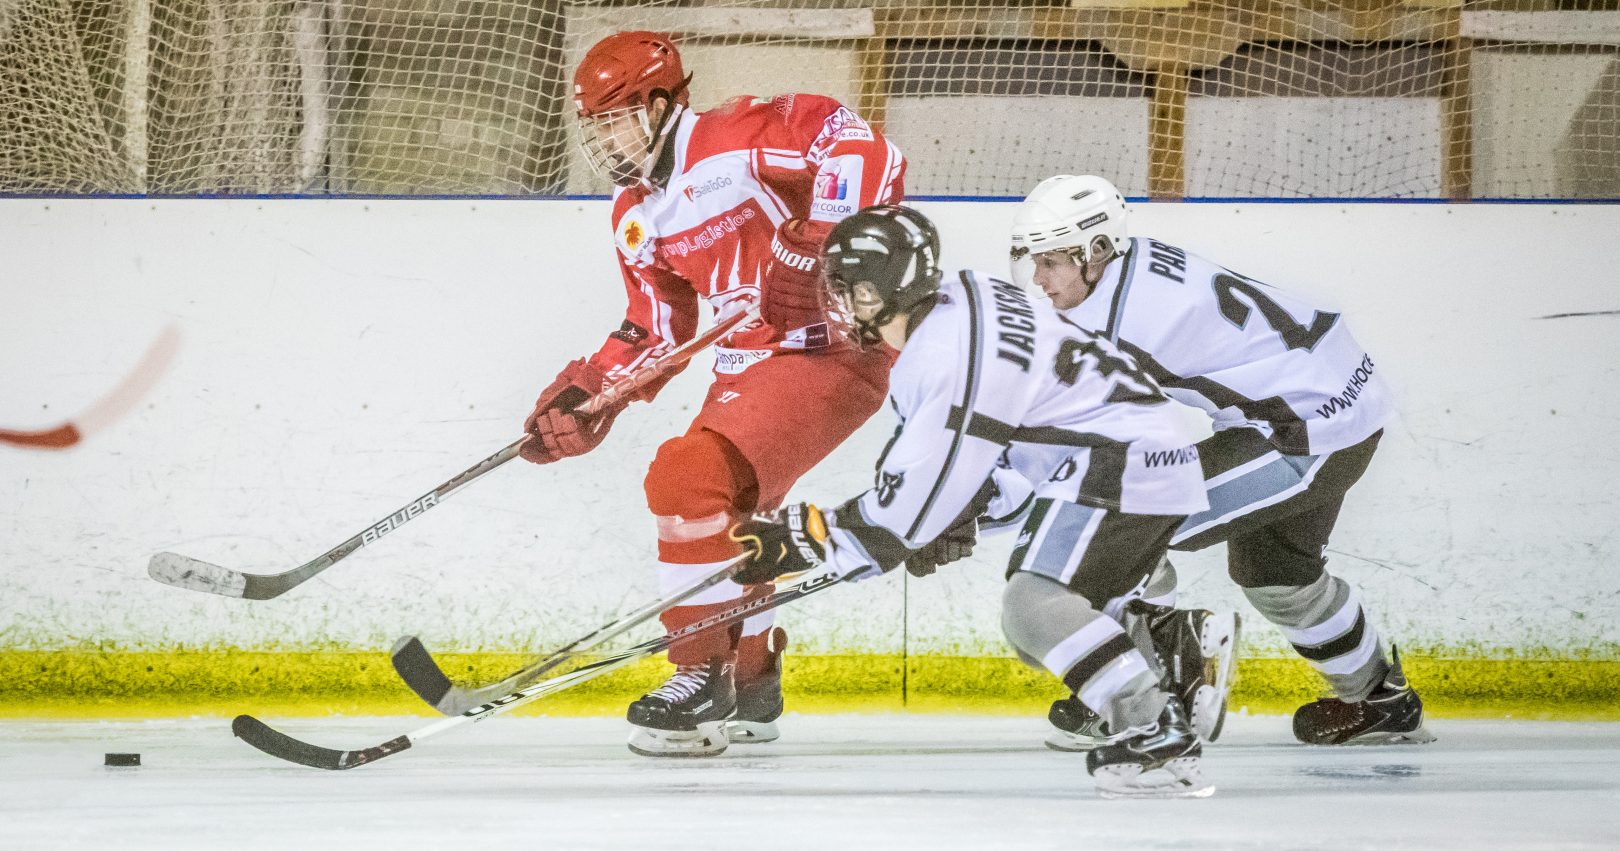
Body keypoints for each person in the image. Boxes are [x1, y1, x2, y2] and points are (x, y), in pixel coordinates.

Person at [731, 204, 1218, 799]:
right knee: (1056, 625)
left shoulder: (942, 357)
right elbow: (1006, 433)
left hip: (1118, 461)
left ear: (877, 292)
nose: (840, 304)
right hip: (1132, 451)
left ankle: (1155, 733)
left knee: (1034, 610)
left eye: (848, 289)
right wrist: (962, 510)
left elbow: (904, 513)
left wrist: (812, 539)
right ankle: (1173, 649)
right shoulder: (968, 292)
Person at [518, 31, 905, 757]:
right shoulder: (634, 213)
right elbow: (655, 324)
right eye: (595, 126)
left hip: (828, 348)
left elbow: (866, 149)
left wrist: (822, 238)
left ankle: (699, 675)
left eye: (616, 120)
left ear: (660, 103)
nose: (605, 141)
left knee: (685, 477)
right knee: (733, 516)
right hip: (745, 367)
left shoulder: (740, 137)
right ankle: (752, 681)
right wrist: (591, 389)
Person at [1009, 174, 1433, 747]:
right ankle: (1383, 701)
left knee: (1121, 526)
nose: (1039, 279)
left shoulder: (1110, 323)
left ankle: (1152, 699)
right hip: (1337, 401)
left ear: (1097, 251)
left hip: (1304, 427)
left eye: (1051, 262)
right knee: (1276, 573)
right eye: (1033, 260)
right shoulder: (1133, 259)